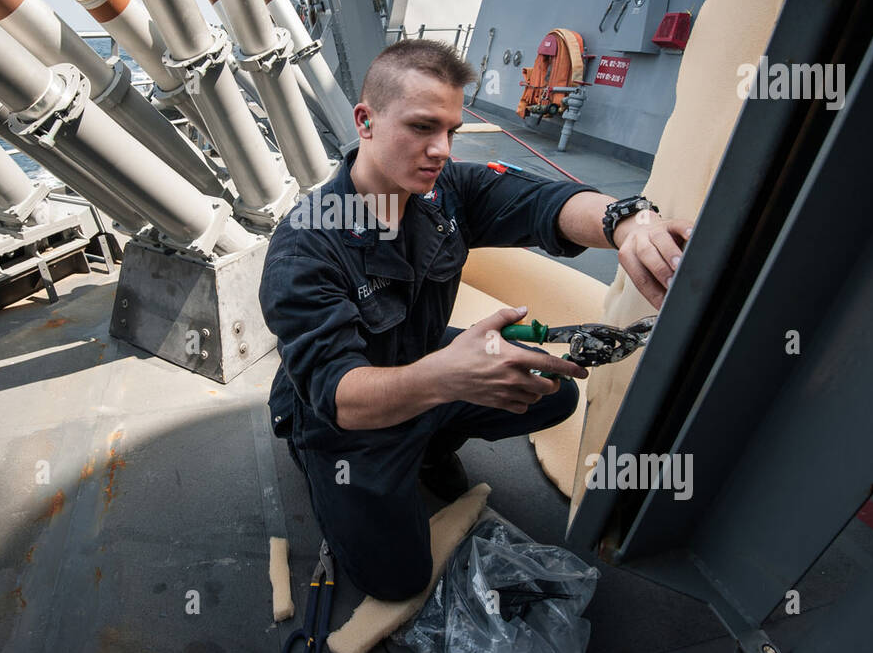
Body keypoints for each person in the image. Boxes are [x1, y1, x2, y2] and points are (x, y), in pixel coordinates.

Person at [258, 40, 690, 602]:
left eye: (451, 131)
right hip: (348, 426)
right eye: (421, 127)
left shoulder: (446, 193)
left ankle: (431, 444)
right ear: (365, 121)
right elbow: (340, 396)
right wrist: (447, 377)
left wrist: (626, 224)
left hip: (424, 360)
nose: (440, 150)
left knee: (550, 393)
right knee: (398, 582)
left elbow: (546, 203)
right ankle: (324, 469)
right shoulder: (305, 246)